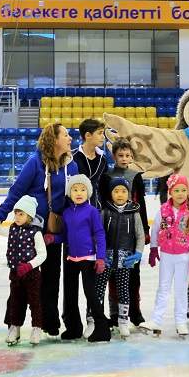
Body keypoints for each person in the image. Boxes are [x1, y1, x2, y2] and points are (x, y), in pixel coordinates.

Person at [0, 123, 78, 338]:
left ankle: (48, 321)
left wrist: (61, 234)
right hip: (30, 233)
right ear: (54, 139)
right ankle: (14, 322)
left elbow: (71, 200)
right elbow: (15, 191)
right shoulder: (35, 163)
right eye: (65, 135)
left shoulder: (72, 166)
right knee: (22, 280)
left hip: (53, 233)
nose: (70, 139)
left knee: (51, 278)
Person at [0, 196, 47, 346]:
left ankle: (37, 328)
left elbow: (42, 254)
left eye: (21, 214)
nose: (17, 217)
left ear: (29, 215)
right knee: (16, 302)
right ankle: (15, 327)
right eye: (16, 213)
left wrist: (29, 265)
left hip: (31, 274)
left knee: (34, 302)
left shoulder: (36, 233)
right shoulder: (13, 229)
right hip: (15, 274)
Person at [143, 174, 189, 338]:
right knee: (163, 288)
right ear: (170, 191)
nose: (180, 193)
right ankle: (156, 319)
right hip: (167, 256)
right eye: (176, 190)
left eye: (183, 190)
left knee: (181, 289)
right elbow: (155, 229)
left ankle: (181, 321)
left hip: (183, 257)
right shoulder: (163, 210)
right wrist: (154, 249)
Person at [52, 175, 109, 343]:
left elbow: (99, 234)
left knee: (90, 294)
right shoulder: (67, 212)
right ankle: (74, 328)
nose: (79, 193)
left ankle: (102, 328)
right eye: (75, 189)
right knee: (69, 295)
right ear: (70, 192)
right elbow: (65, 235)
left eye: (83, 189)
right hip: (71, 258)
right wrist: (53, 239)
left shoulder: (92, 211)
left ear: (88, 192)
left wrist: (100, 258)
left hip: (88, 258)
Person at [100, 139, 149, 328]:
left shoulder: (136, 175)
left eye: (128, 155)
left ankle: (135, 311)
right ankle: (114, 313)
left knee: (133, 275)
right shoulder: (107, 176)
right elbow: (104, 204)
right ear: (114, 156)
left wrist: (144, 230)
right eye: (120, 155)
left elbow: (141, 204)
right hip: (112, 233)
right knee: (112, 275)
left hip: (131, 231)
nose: (124, 158)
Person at [98, 177, 145, 339]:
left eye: (123, 191)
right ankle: (96, 319)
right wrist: (101, 254)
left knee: (123, 290)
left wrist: (138, 253)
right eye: (116, 191)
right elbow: (98, 234)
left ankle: (123, 320)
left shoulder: (134, 213)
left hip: (125, 259)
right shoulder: (105, 211)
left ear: (129, 194)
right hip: (107, 258)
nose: (120, 194)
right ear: (111, 193)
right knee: (99, 289)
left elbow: (140, 235)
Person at [74, 119, 108, 207]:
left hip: (97, 208)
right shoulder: (72, 157)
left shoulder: (103, 159)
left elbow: (104, 186)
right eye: (100, 133)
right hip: (76, 208)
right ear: (88, 135)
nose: (103, 137)